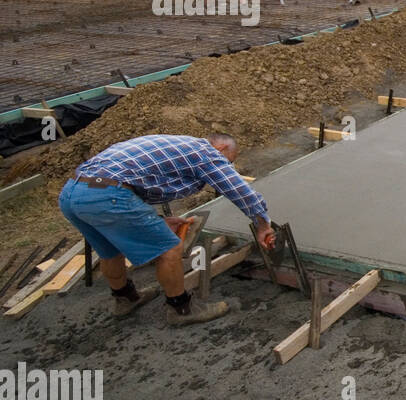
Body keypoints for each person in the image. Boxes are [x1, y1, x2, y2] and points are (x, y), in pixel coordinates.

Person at [58, 133, 275, 325]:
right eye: (229, 161)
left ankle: (125, 299)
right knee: (169, 250)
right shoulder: (206, 153)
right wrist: (263, 224)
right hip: (107, 196)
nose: (227, 167)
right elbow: (238, 190)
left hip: (73, 193)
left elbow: (132, 186)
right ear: (221, 148)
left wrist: (158, 219)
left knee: (110, 250)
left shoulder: (175, 145)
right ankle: (181, 309)